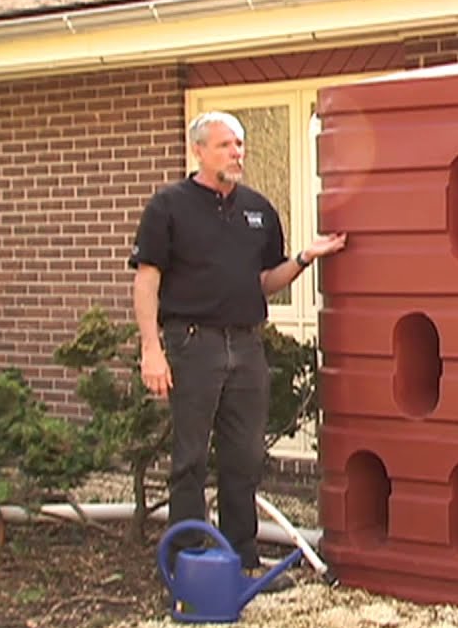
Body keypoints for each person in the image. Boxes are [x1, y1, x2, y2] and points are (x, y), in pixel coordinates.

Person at [129, 111, 346, 583]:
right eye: (226, 145)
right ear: (199, 151)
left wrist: (305, 258)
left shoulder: (258, 210)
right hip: (192, 345)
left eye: (241, 145)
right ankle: (186, 565)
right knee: (189, 460)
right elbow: (147, 281)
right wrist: (152, 348)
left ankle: (242, 562)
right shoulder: (168, 206)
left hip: (246, 347)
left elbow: (264, 281)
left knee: (244, 458)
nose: (237, 153)